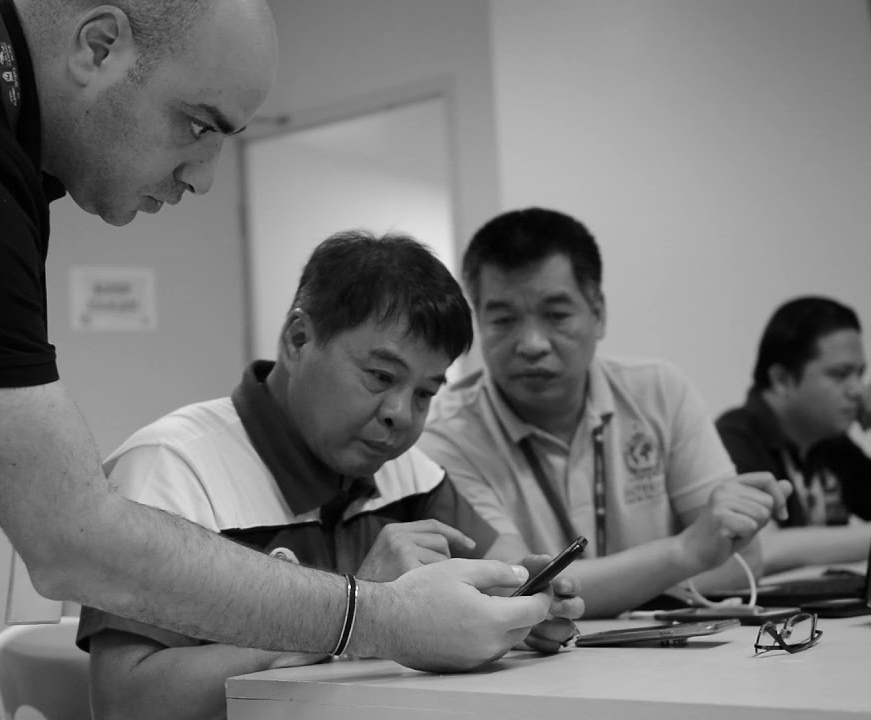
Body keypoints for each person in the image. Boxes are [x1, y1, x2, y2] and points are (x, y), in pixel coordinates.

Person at [0, 1, 548, 713]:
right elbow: (73, 542)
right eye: (198, 125)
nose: (204, 177)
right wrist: (381, 616)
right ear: (98, 46)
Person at [78, 231, 583, 720]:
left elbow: (501, 569)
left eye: (425, 393)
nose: (401, 414)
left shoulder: (408, 473)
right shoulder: (170, 469)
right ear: (298, 339)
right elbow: (125, 705)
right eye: (381, 377)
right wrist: (365, 609)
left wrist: (519, 613)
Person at [417, 208, 792, 618]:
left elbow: (739, 560)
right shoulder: (445, 436)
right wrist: (684, 554)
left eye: (557, 315)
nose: (532, 344)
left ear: (598, 313)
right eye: (503, 320)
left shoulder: (658, 391)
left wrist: (610, 588)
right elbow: (515, 592)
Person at [716, 296, 871, 574]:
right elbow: (760, 548)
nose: (858, 390)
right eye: (840, 375)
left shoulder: (830, 442)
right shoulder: (734, 438)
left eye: (860, 374)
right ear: (782, 380)